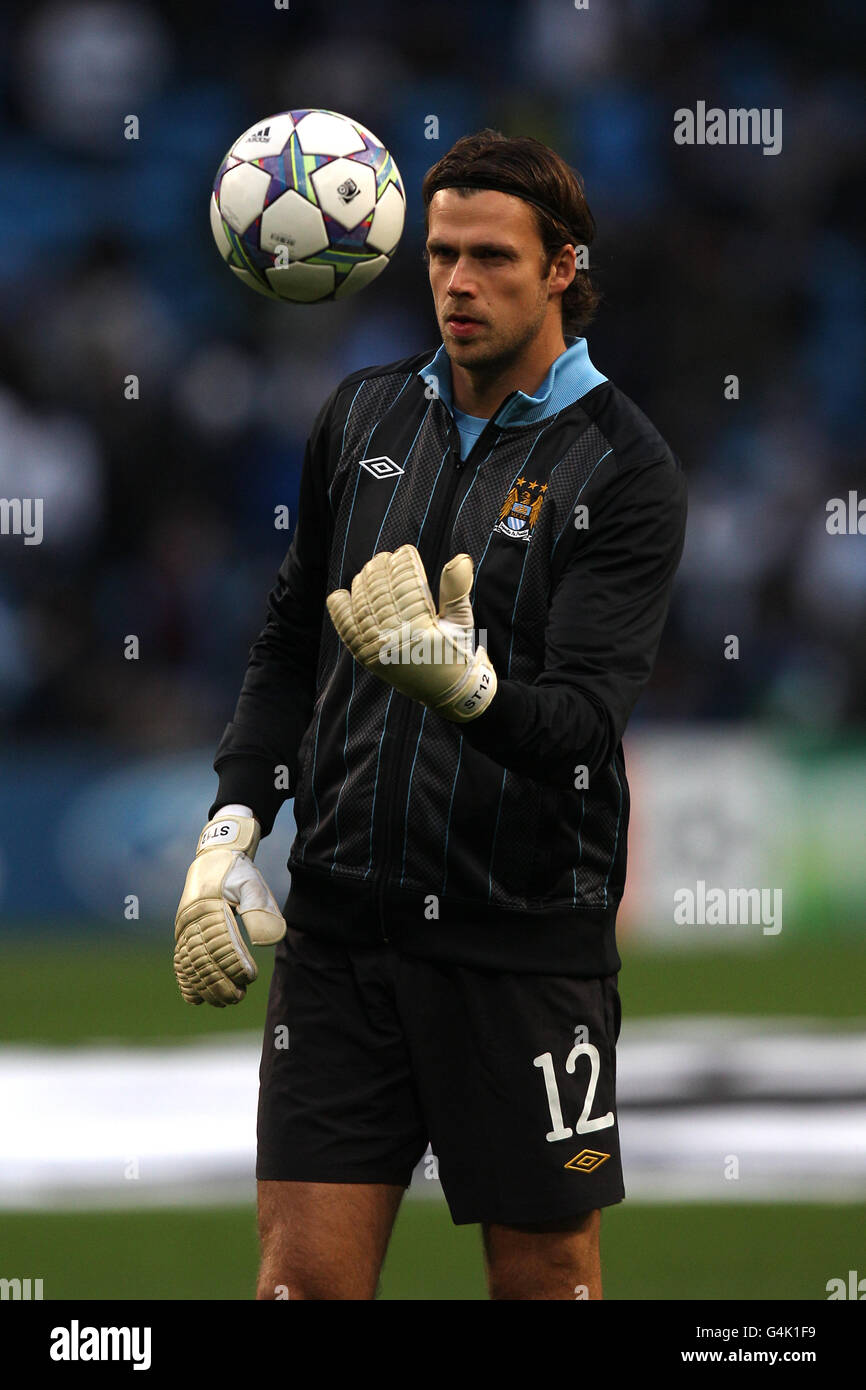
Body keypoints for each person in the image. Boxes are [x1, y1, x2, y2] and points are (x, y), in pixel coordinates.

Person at [174, 128, 688, 1300]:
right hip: (343, 939)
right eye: (441, 254)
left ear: (561, 268)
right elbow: (289, 645)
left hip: (519, 944)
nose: (458, 282)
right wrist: (229, 830)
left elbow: (579, 725)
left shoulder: (623, 466)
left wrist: (464, 686)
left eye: (492, 259)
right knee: (297, 1285)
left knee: (545, 1281)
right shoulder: (359, 418)